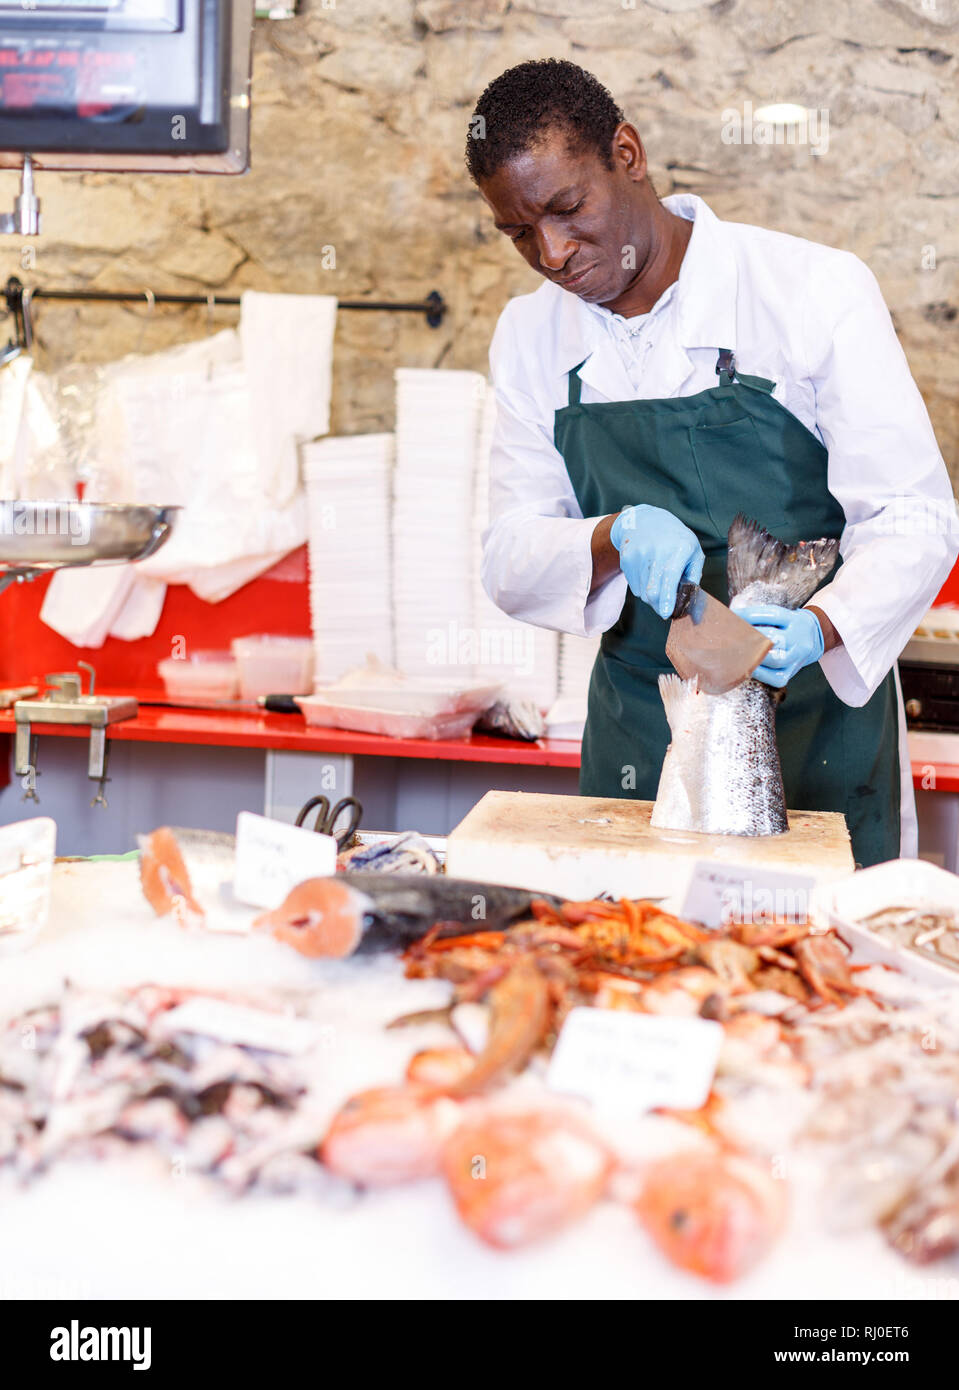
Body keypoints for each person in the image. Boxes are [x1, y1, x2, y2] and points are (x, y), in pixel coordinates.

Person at [468, 58, 958, 868]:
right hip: (640, 717)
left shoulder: (811, 290)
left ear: (626, 154)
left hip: (815, 709)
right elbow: (508, 557)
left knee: (813, 971)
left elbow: (913, 517)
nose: (550, 252)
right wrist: (610, 535)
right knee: (636, 962)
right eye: (518, 232)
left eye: (565, 208)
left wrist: (817, 628)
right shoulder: (529, 337)